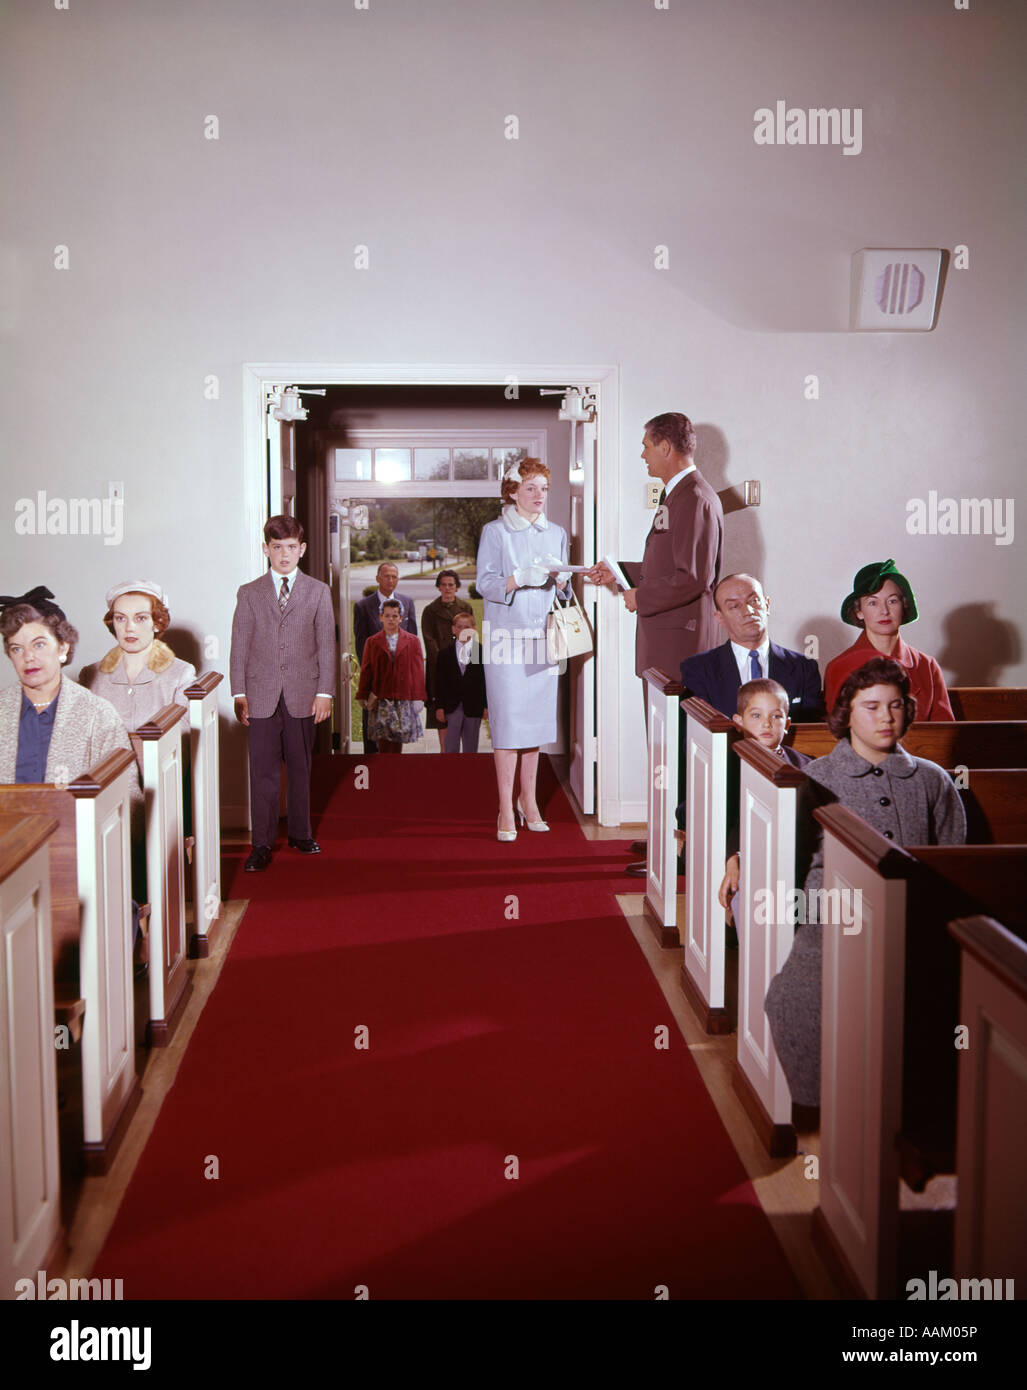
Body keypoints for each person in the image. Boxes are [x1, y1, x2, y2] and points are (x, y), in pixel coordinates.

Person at [764, 657, 967, 1107]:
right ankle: (827, 1107)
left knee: (920, 1006)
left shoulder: (932, 781)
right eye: (871, 707)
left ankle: (906, 1115)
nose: (885, 717)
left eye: (894, 706)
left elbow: (952, 857)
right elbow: (790, 858)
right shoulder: (817, 778)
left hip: (913, 919)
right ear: (847, 714)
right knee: (794, 1001)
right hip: (831, 920)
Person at [230, 515, 335, 873]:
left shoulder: (318, 591)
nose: (285, 554)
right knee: (263, 772)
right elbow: (239, 645)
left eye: (291, 547)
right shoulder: (249, 593)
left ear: (302, 550)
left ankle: (301, 833)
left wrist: (325, 692)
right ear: (266, 550)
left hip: (304, 694)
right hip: (260, 694)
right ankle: (260, 844)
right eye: (277, 548)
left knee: (301, 767)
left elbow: (326, 646)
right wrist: (239, 692)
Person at [476, 457, 570, 840]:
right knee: (509, 725)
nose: (538, 496)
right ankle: (504, 807)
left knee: (534, 725)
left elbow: (563, 589)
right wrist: (517, 579)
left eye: (544, 488)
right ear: (512, 492)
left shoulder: (557, 533)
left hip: (541, 640)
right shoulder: (495, 532)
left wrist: (562, 581)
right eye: (530, 488)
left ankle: (528, 801)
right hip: (505, 641)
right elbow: (485, 582)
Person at [0, 586, 134, 784]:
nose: (28, 657)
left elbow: (128, 794)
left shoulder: (98, 715)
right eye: (17, 648)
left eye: (39, 644)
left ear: (63, 645)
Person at [716, 679, 814, 924]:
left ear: (787, 724)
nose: (767, 724)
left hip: (793, 852)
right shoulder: (728, 766)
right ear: (738, 722)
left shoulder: (806, 765)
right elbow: (727, 819)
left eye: (776, 717)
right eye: (756, 715)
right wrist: (731, 858)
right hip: (747, 854)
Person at [80, 580, 197, 768]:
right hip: (105, 779)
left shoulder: (180, 673)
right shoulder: (91, 675)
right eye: (120, 618)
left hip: (162, 779)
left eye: (140, 618)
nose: (129, 628)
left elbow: (183, 736)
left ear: (157, 623)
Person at [681, 573, 823, 722]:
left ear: (767, 605)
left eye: (754, 601)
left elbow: (811, 735)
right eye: (734, 606)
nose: (748, 611)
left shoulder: (804, 667)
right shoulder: (698, 669)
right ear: (720, 618)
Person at [823, 559, 954, 720]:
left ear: (904, 606)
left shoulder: (927, 666)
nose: (884, 611)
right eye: (873, 603)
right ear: (859, 611)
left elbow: (944, 734)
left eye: (892, 601)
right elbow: (835, 733)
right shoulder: (838, 667)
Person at [353, 562, 418, 752]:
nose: (391, 580)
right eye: (386, 576)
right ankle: (373, 770)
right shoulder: (363, 606)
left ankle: (393, 773)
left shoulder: (407, 602)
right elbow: (361, 646)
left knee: (397, 732)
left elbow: (412, 643)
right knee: (373, 732)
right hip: (376, 681)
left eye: (394, 576)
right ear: (377, 578)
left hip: (400, 682)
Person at [356, 599, 426, 752]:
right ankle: (384, 770)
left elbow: (418, 670)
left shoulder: (413, 641)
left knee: (398, 738)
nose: (391, 620)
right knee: (383, 739)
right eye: (387, 616)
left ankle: (395, 771)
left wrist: (418, 696)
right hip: (381, 698)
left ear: (401, 618)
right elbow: (366, 669)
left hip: (403, 697)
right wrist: (363, 693)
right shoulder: (372, 642)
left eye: (395, 616)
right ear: (380, 617)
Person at [421, 569, 474, 751]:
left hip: (463, 665)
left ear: (457, 587)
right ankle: (446, 754)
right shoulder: (430, 611)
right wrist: (447, 660)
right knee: (442, 717)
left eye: (451, 585)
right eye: (443, 584)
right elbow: (430, 641)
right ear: (438, 587)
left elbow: (470, 635)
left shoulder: (465, 608)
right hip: (439, 669)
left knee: (464, 715)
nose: (447, 588)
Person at [435, 611, 487, 753]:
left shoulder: (480, 652)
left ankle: (469, 773)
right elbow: (439, 682)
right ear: (453, 629)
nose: (463, 630)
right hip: (452, 706)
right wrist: (439, 706)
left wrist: (485, 706)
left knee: (471, 747)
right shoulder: (445, 654)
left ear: (474, 629)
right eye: (459, 627)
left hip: (474, 706)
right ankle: (451, 773)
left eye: (467, 627)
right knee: (450, 746)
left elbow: (484, 682)